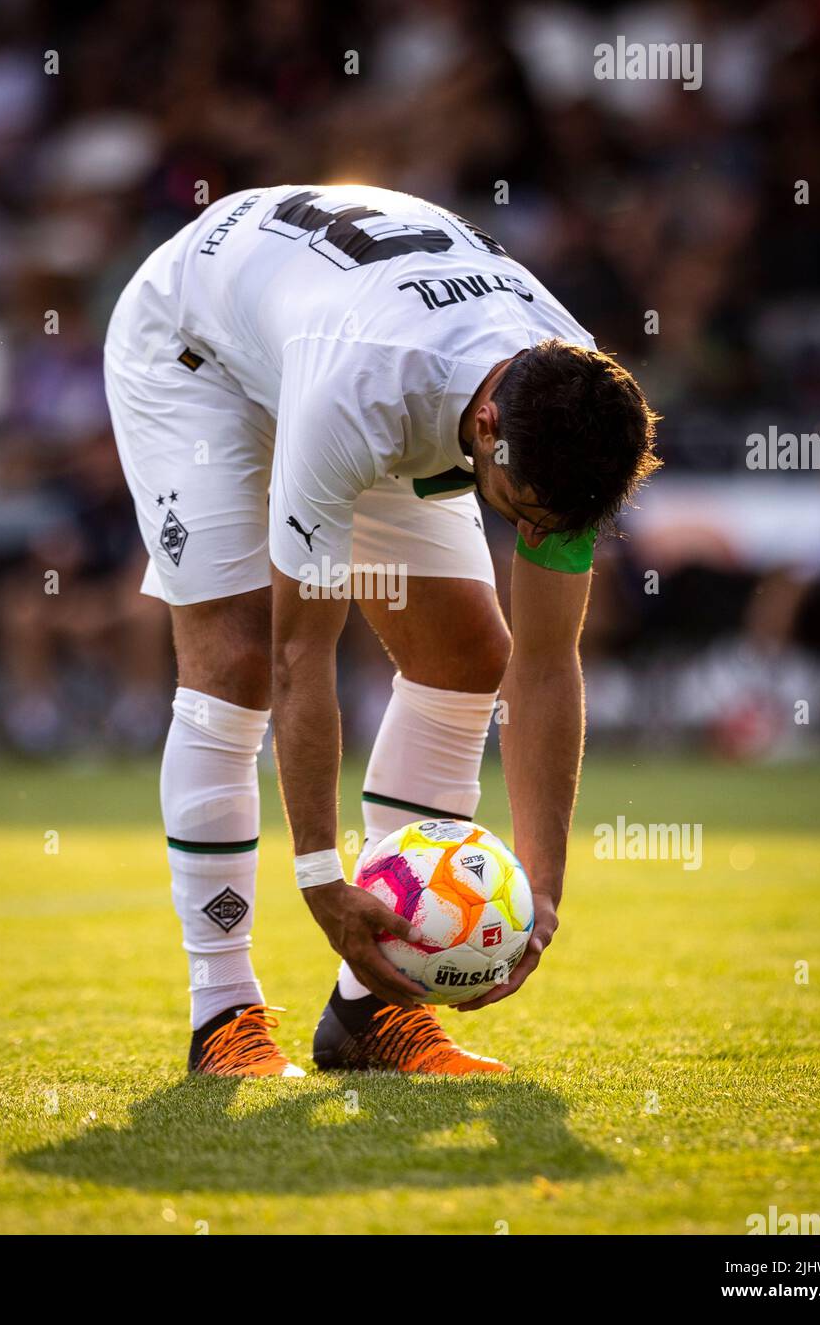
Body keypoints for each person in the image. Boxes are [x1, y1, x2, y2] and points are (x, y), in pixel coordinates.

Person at [104, 184, 659, 1076]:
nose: (539, 539)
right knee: (238, 658)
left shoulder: (574, 415)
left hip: (361, 344)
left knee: (472, 653)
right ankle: (223, 1014)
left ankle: (373, 1014)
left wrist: (542, 885)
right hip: (198, 350)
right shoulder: (358, 395)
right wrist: (321, 875)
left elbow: (546, 665)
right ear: (487, 430)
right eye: (524, 516)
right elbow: (302, 656)